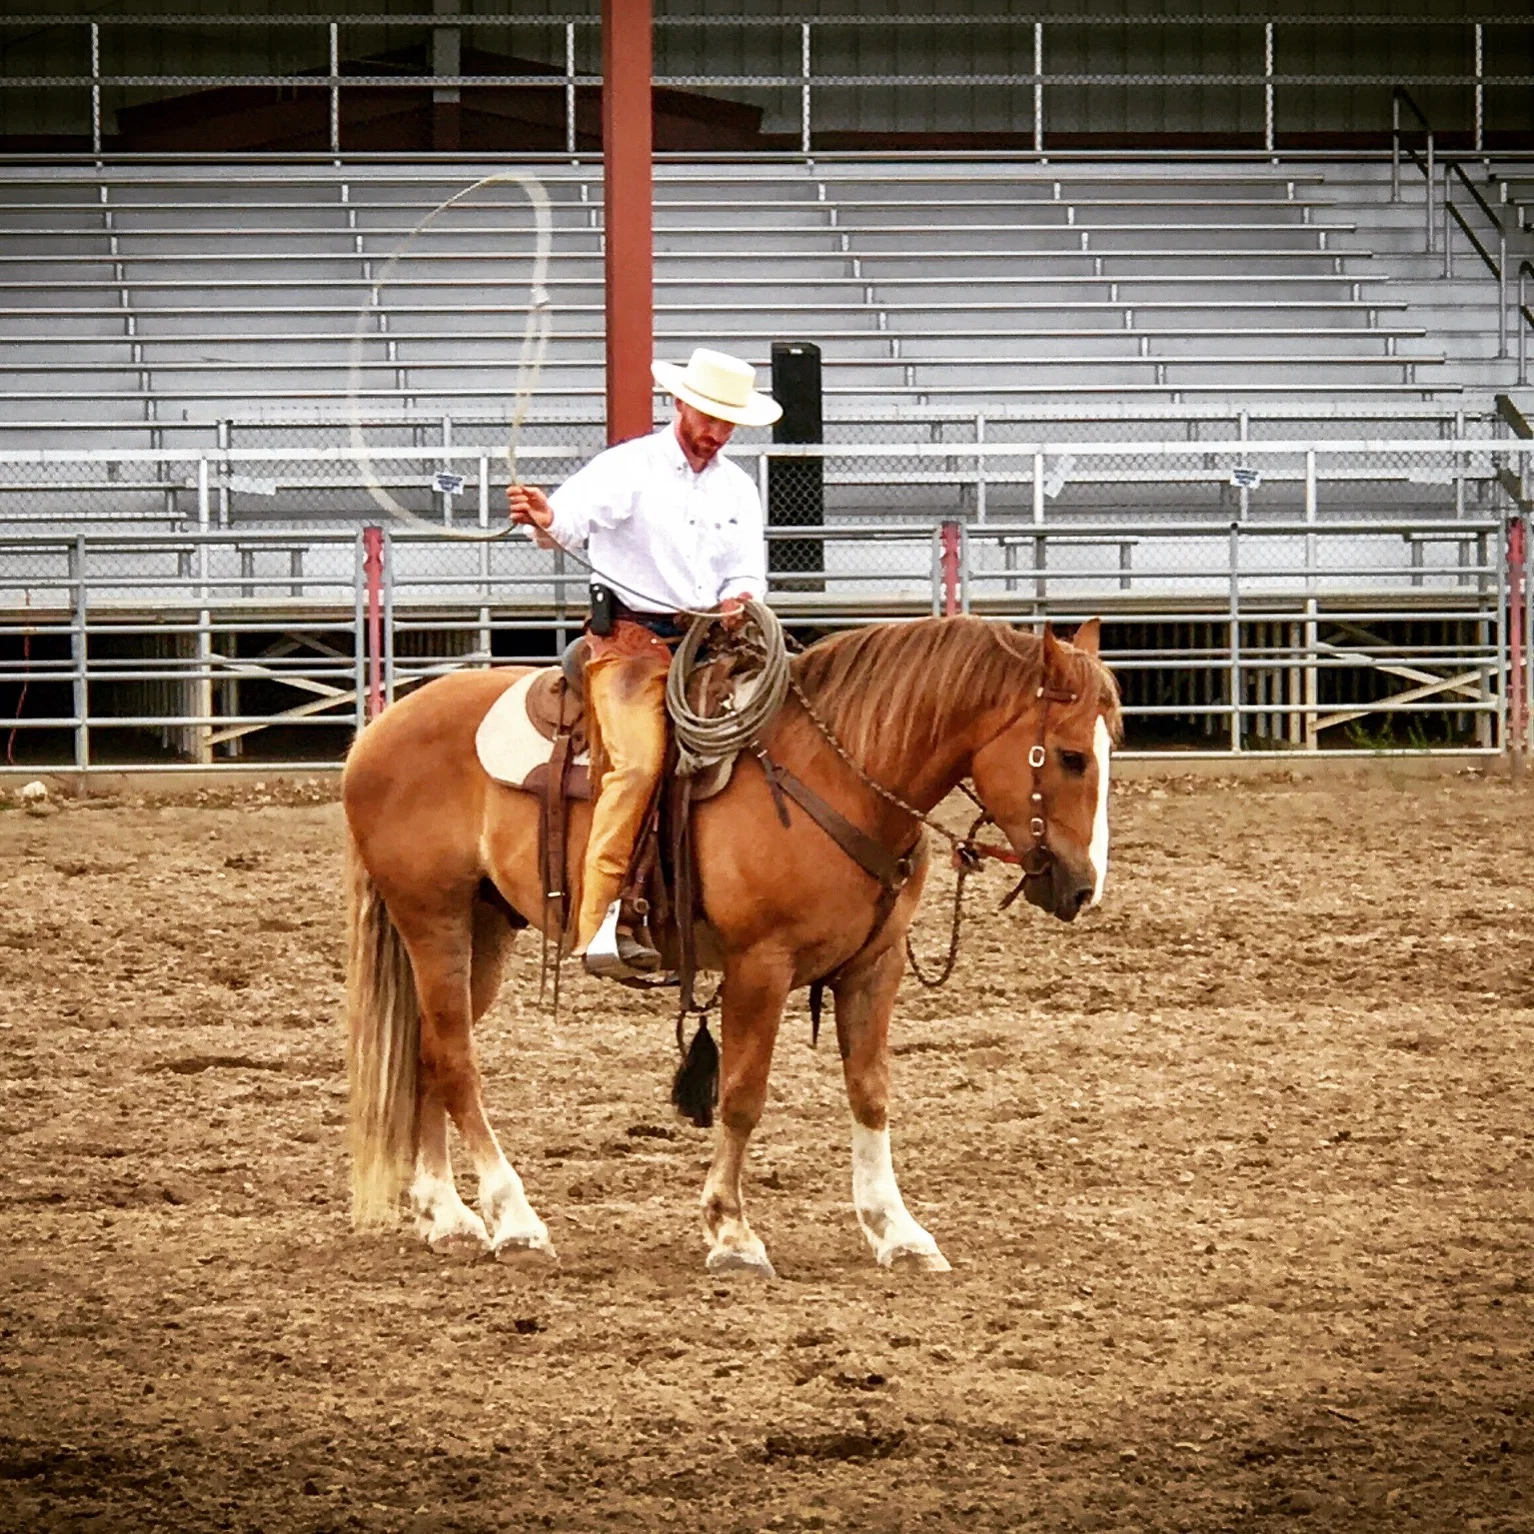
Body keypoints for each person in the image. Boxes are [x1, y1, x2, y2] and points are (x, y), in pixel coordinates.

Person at [508, 347, 782, 974]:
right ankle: (599, 919)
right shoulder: (629, 467)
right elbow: (565, 523)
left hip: (710, 645)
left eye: (727, 423)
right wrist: (545, 517)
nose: (716, 433)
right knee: (635, 766)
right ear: (679, 404)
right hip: (630, 646)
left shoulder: (738, 487)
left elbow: (746, 569)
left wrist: (739, 597)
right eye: (708, 418)